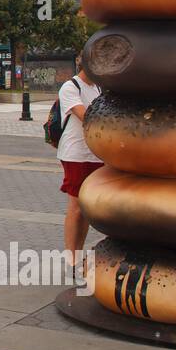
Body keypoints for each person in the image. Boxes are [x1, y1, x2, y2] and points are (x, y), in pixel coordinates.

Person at [57, 51, 103, 266]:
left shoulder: (99, 88)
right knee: (76, 206)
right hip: (76, 153)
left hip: (96, 153)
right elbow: (84, 115)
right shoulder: (70, 87)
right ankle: (70, 257)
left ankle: (78, 252)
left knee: (86, 209)